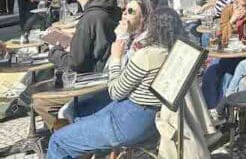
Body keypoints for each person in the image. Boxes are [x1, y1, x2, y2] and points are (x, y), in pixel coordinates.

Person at [46, 9, 187, 159]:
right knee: (77, 116)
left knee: (58, 141)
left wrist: (116, 58)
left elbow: (115, 92)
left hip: (130, 118)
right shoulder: (177, 53)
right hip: (153, 118)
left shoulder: (147, 56)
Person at [35, 0, 121, 128]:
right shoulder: (114, 10)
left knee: (40, 102)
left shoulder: (90, 18)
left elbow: (75, 63)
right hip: (106, 73)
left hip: (92, 80)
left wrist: (54, 51)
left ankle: (66, 137)